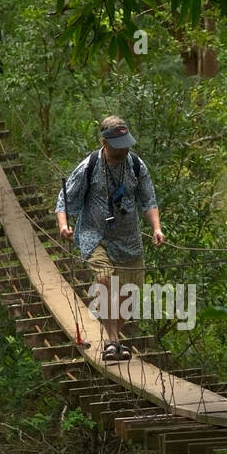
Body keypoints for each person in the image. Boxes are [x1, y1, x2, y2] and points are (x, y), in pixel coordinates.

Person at [55, 115, 164, 361]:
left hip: (128, 238)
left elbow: (148, 201)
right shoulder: (89, 166)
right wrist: (64, 226)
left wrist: (156, 228)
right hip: (95, 234)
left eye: (127, 143)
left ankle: (115, 336)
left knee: (130, 293)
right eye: (119, 144)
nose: (125, 148)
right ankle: (112, 340)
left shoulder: (136, 165)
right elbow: (64, 200)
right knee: (105, 281)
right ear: (105, 142)